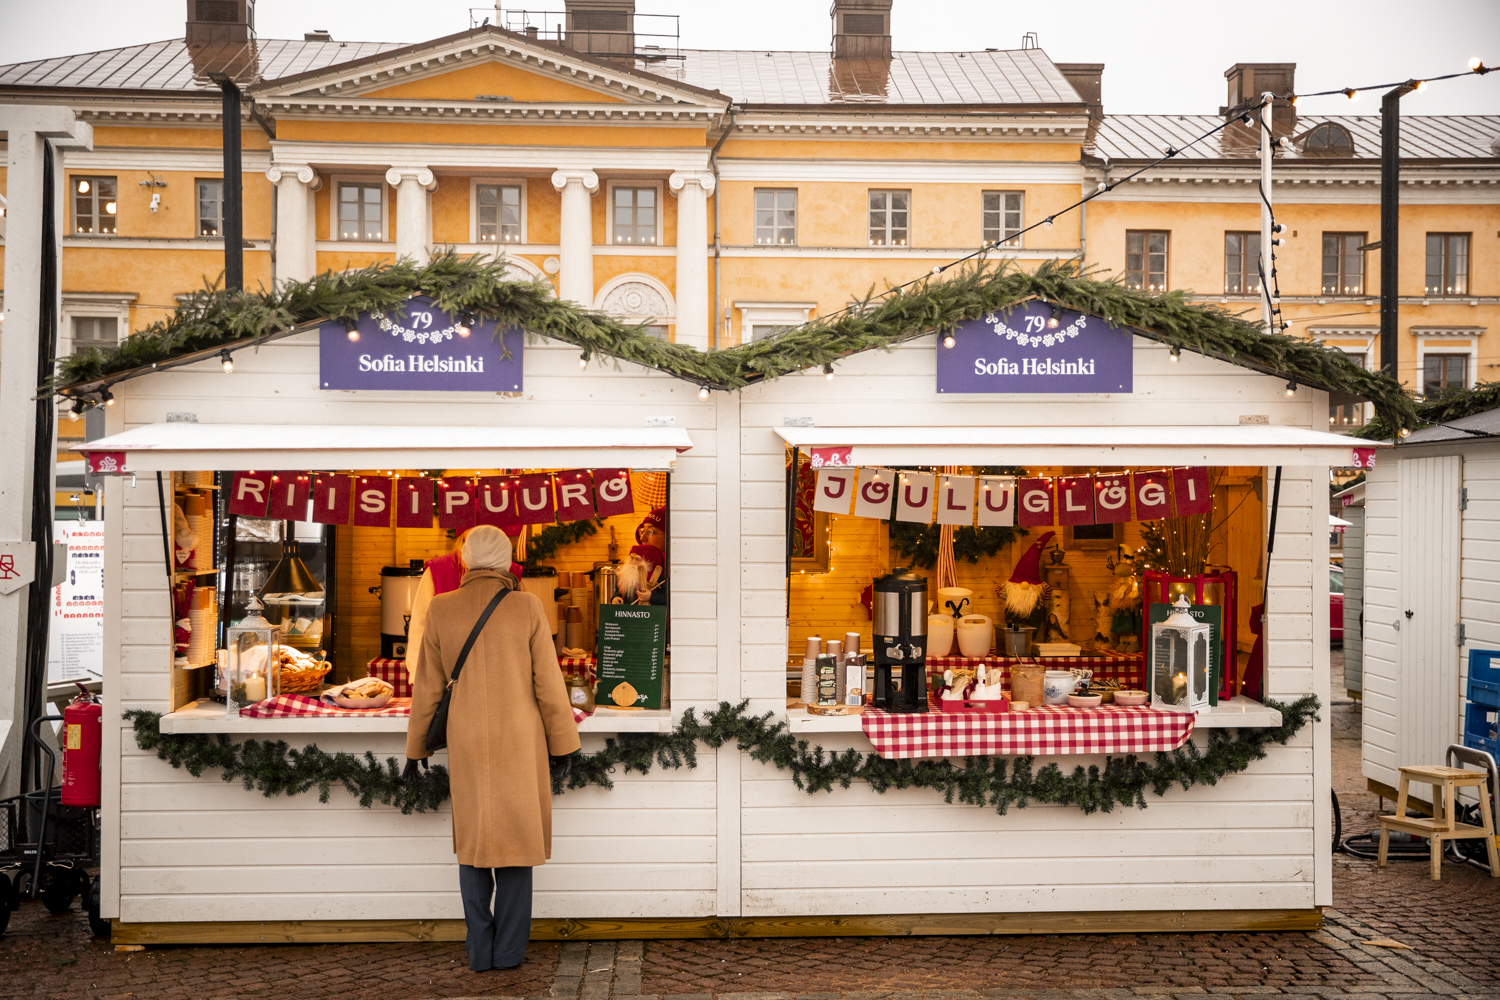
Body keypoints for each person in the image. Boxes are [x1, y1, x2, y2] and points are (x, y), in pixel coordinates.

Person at [404, 525, 580, 972]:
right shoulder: (527, 607)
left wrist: (415, 752)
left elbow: (426, 687)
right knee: (518, 848)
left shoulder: (442, 609)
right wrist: (564, 745)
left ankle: (479, 951)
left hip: (465, 737)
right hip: (520, 739)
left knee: (474, 845)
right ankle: (509, 953)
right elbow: (549, 684)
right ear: (507, 563)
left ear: (463, 561)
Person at [404, 527, 524, 685]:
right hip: (448, 673)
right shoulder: (439, 569)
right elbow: (421, 624)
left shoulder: (512, 572)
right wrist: (416, 673)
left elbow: (522, 625)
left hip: (500, 673)